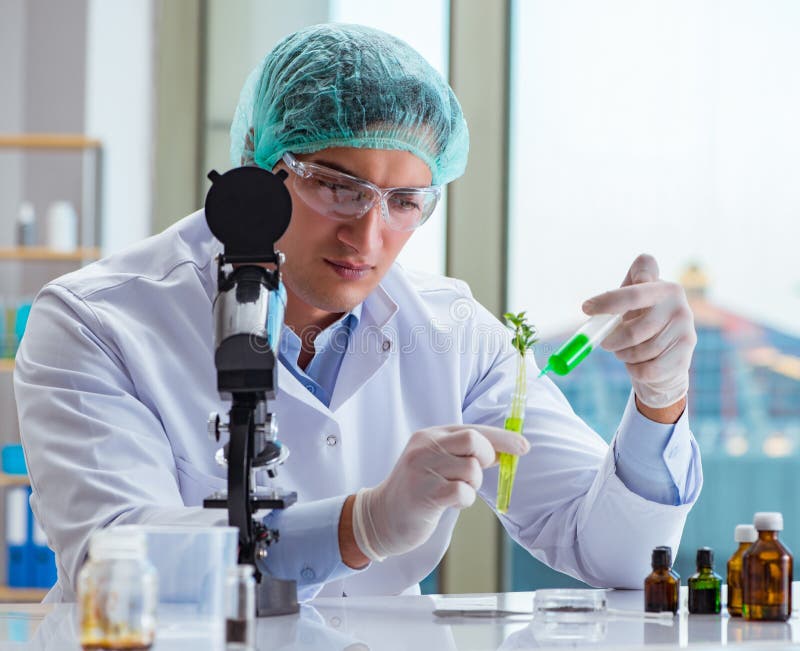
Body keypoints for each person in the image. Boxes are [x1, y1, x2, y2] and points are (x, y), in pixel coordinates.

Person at [15, 24, 701, 602]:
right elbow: (117, 566)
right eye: (338, 188)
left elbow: (616, 553)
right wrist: (357, 526)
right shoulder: (96, 321)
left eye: (404, 201)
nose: (368, 239)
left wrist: (659, 404)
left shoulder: (454, 334)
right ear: (261, 169)